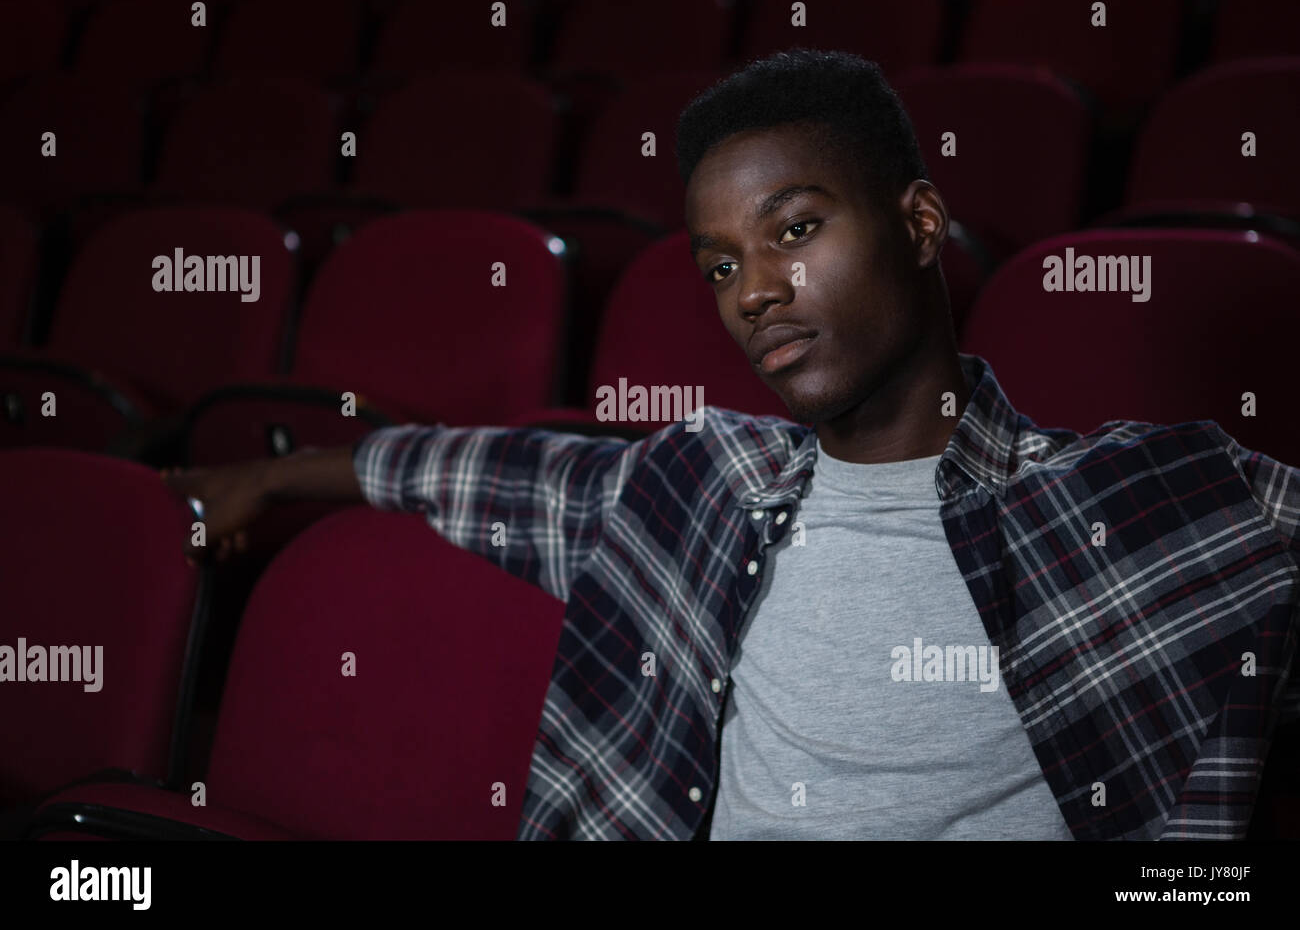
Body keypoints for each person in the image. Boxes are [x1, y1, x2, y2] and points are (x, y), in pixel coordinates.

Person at [164, 48, 1300, 840]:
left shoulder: (1154, 497)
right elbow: (487, 470)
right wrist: (266, 472)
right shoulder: (701, 482)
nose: (756, 290)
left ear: (915, 223)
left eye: (795, 230)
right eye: (719, 264)